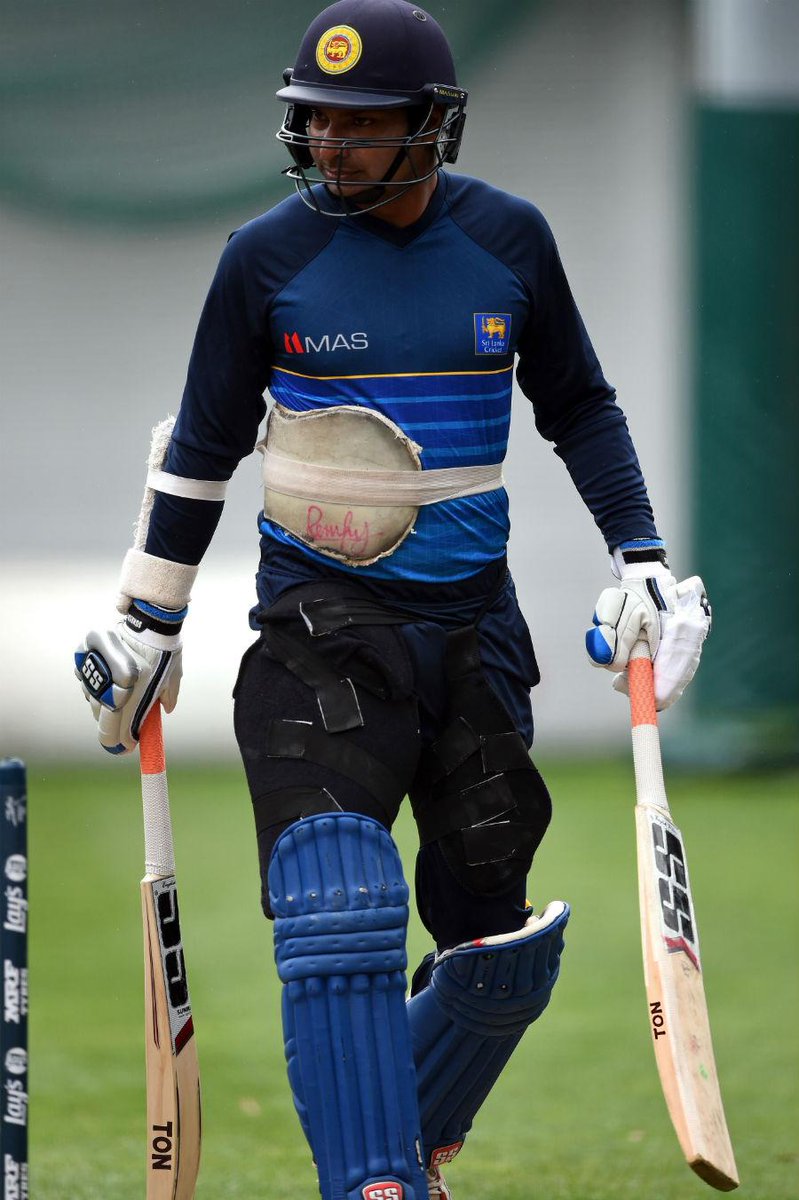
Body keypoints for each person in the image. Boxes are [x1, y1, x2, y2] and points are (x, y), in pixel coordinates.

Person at [75, 3, 711, 1197]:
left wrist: (639, 558)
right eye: (313, 120)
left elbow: (579, 403)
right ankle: (378, 1182)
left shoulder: (510, 242)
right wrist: (145, 619)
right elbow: (203, 448)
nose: (329, 142)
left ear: (431, 128)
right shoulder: (263, 257)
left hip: (476, 634)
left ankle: (401, 1129)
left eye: (359, 125)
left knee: (499, 949)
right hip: (318, 633)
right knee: (337, 905)